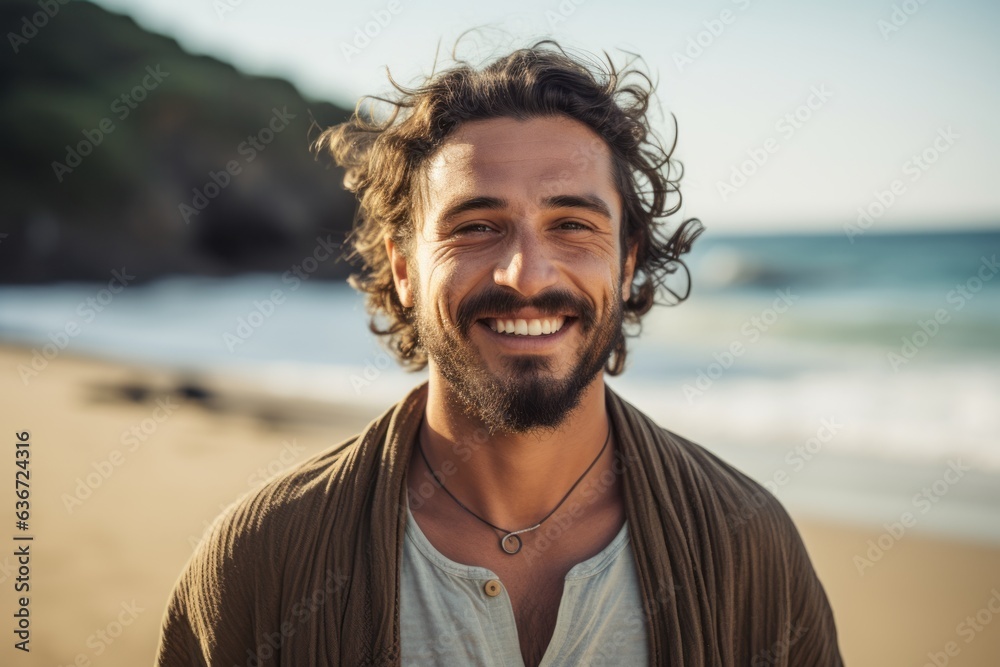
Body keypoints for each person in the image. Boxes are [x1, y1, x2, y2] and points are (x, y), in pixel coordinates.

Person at [156, 39, 843, 666]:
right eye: (477, 226)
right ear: (402, 267)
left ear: (628, 261)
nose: (528, 274)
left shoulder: (748, 551)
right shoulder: (261, 561)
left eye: (572, 225)